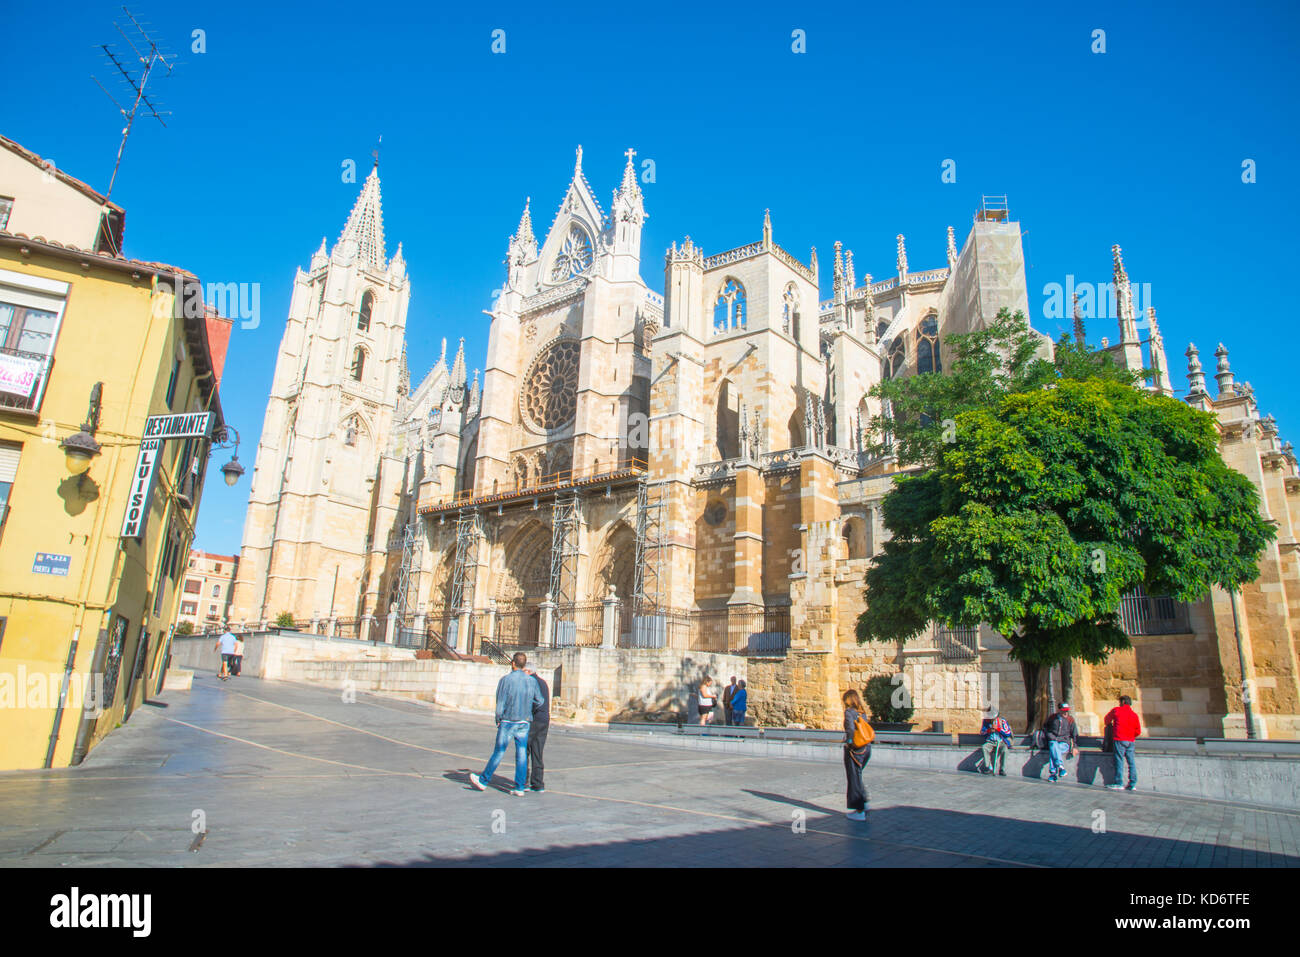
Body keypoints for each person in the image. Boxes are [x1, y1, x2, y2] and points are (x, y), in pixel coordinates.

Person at [469, 652, 544, 796]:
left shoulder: (506, 680)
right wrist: (528, 706)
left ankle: (484, 780)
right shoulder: (531, 681)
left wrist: (498, 719)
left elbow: (500, 703)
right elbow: (540, 701)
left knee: (499, 751)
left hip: (509, 720)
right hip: (524, 721)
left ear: (513, 663)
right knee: (521, 753)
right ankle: (520, 787)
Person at [842, 689, 872, 820]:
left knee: (854, 778)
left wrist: (849, 742)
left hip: (856, 749)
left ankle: (859, 811)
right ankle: (864, 803)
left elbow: (850, 729)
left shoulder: (849, 712)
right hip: (867, 748)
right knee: (858, 776)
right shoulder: (862, 712)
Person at [1104, 695, 1143, 791]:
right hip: (1130, 740)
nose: (1119, 704)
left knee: (1119, 760)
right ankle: (1132, 783)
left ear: (1123, 702)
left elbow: (1106, 720)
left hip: (1119, 739)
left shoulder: (1117, 710)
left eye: (1120, 702)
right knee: (1131, 762)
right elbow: (1138, 731)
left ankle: (1119, 783)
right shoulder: (1134, 715)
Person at [525, 667, 551, 793]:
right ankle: (538, 783)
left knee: (524, 750)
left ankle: (523, 781)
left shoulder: (530, 682)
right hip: (544, 720)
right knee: (537, 751)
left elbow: (536, 701)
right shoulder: (543, 682)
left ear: (528, 671)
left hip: (534, 719)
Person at [1044, 703, 1078, 782]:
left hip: (1064, 743)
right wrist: (1052, 737)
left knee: (1054, 750)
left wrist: (1075, 747)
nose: (1065, 713)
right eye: (1063, 711)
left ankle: (1053, 773)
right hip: (1053, 741)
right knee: (1054, 746)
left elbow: (1075, 734)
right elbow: (1046, 729)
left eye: (1067, 711)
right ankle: (1060, 767)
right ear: (1059, 710)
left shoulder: (1070, 719)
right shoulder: (1052, 718)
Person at [979, 705, 1013, 776]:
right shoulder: (986, 721)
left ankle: (1002, 769)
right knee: (984, 748)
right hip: (990, 742)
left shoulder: (1002, 721)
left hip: (1000, 742)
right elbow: (982, 732)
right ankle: (989, 767)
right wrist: (988, 730)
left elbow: (1008, 733)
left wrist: (998, 729)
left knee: (1005, 750)